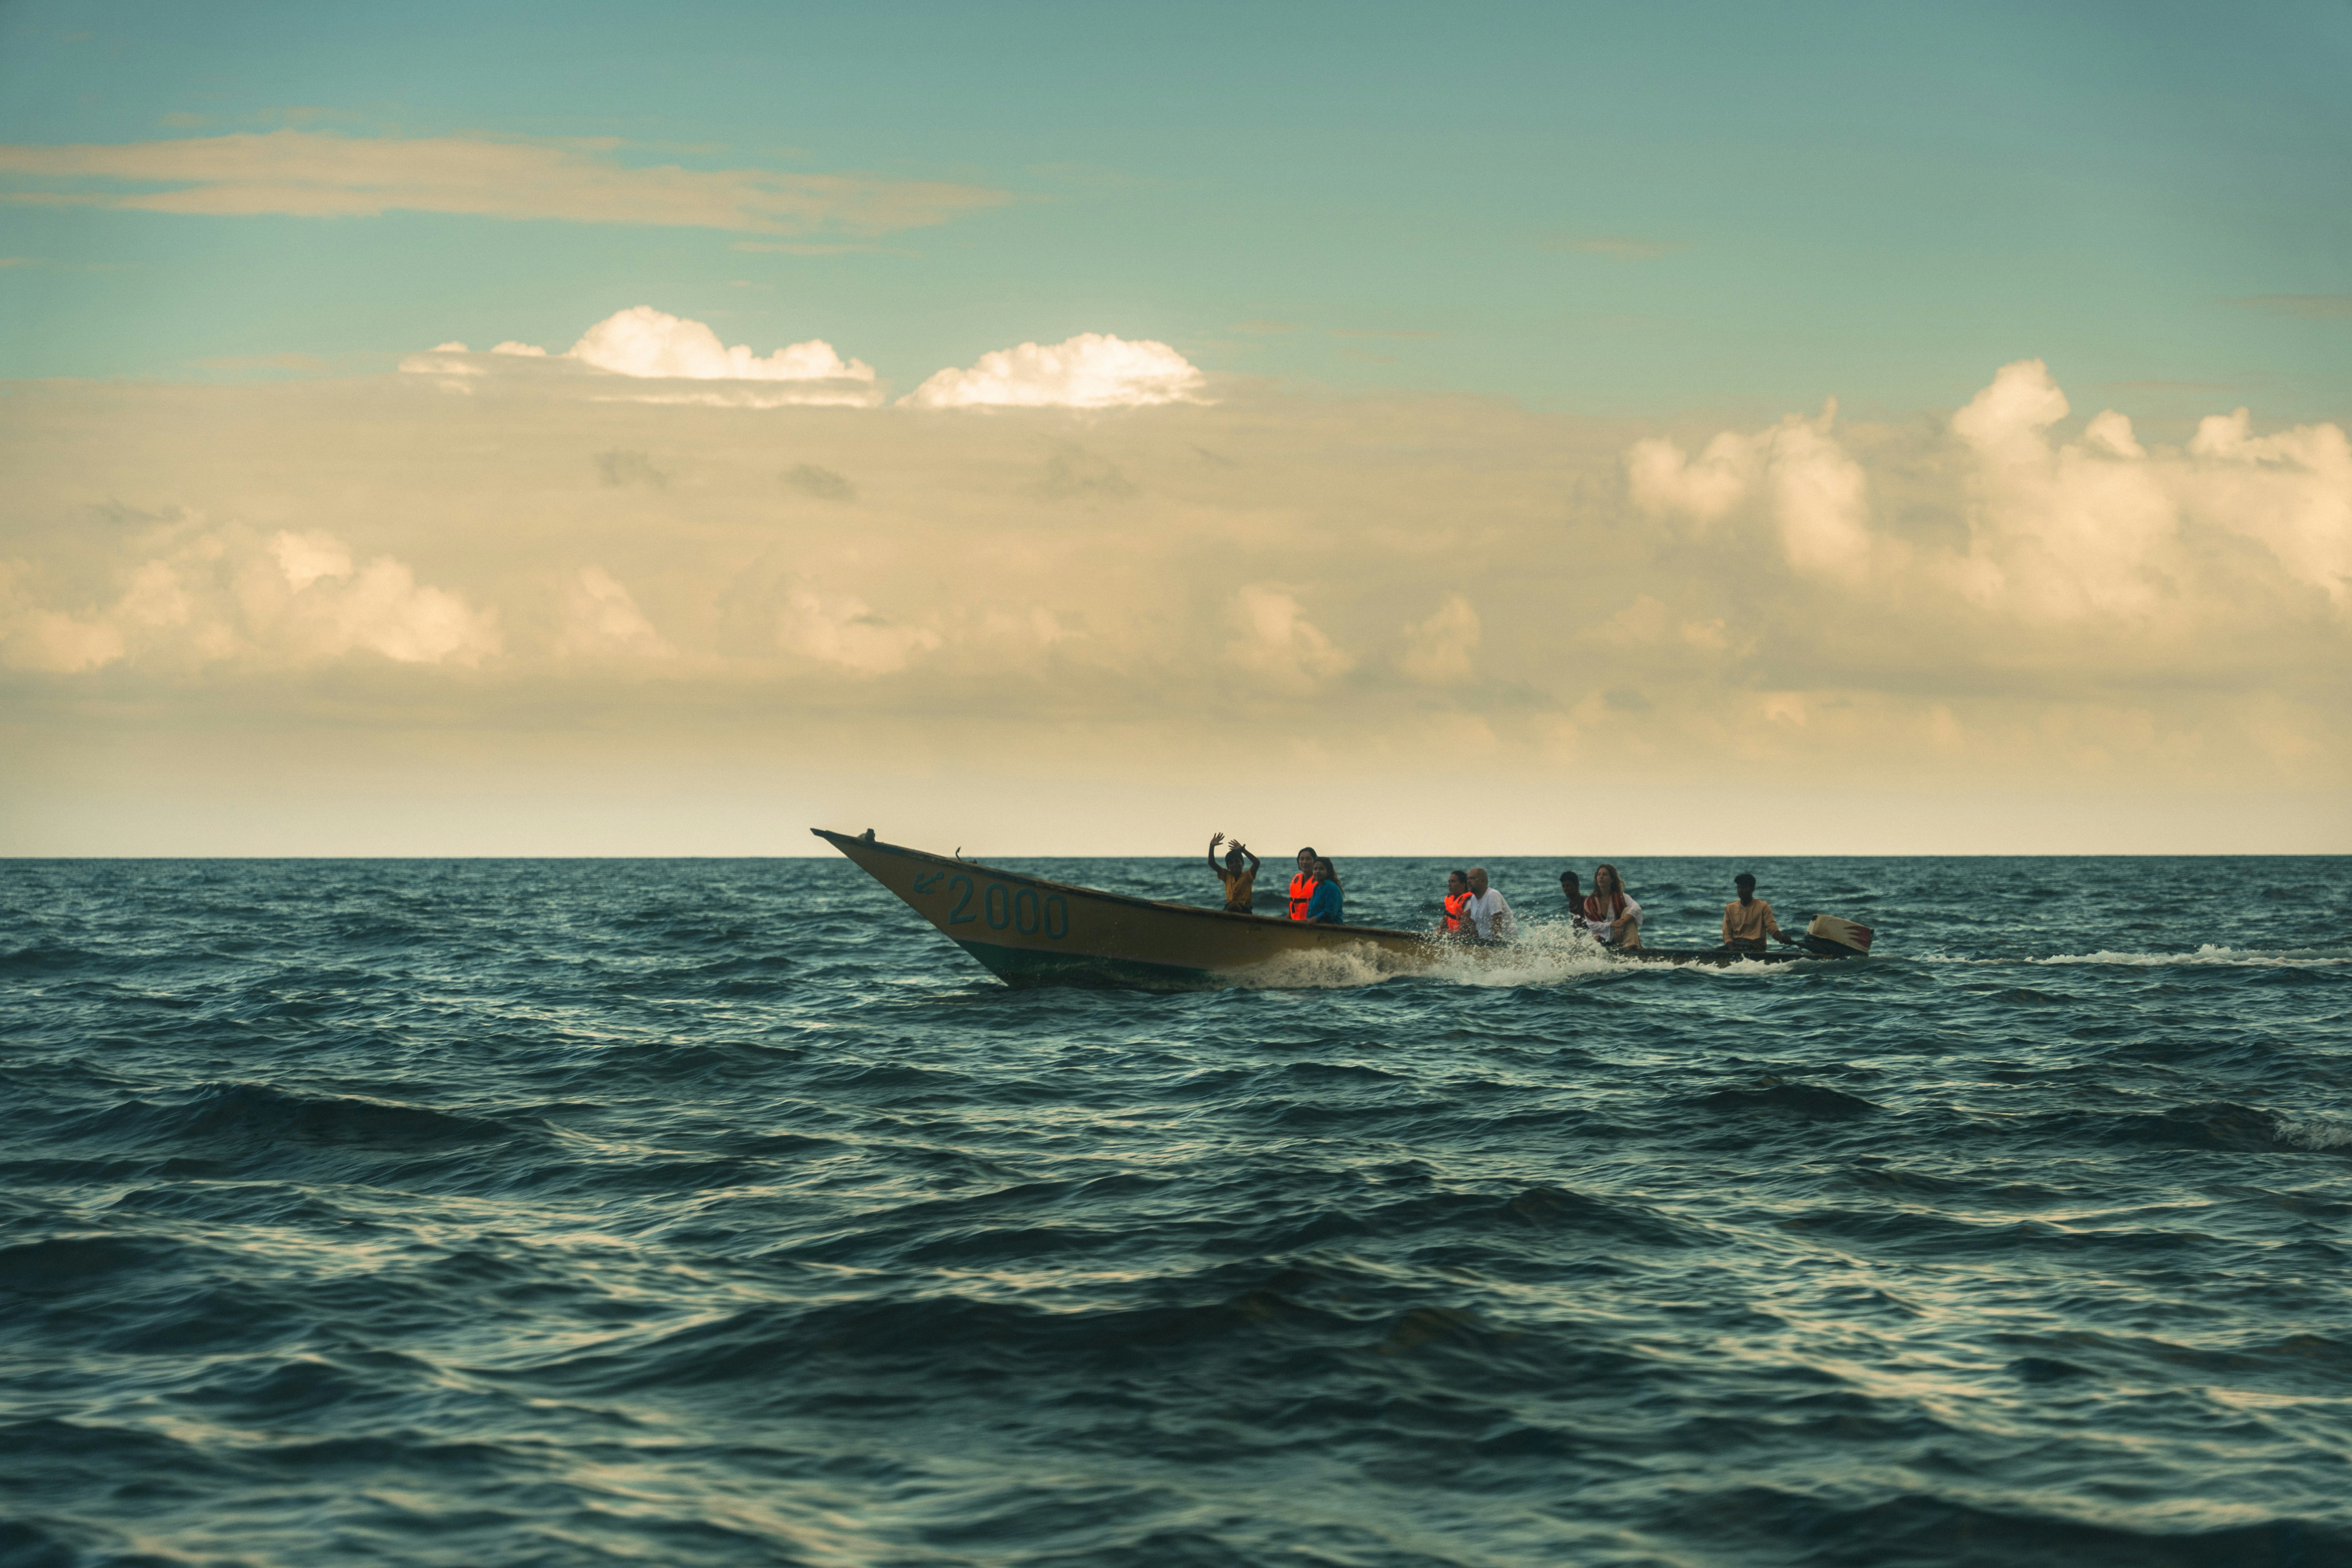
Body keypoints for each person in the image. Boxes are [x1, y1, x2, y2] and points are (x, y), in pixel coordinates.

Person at [1720, 872, 1790, 953]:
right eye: (1739, 888)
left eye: (1744, 888)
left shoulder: (1763, 907)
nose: (1740, 891)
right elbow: (1727, 932)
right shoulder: (1730, 908)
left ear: (1753, 889)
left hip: (1756, 947)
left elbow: (1772, 928)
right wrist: (1732, 948)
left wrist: (1782, 937)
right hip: (1737, 946)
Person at [1581, 863, 1642, 949]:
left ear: (1612, 879)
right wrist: (1613, 924)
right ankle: (1630, 948)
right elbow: (1593, 925)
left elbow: (1637, 908)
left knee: (1628, 910)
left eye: (1605, 875)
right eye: (1599, 875)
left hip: (1619, 936)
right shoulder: (1590, 902)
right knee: (1628, 912)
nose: (1601, 877)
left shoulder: (1621, 897)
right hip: (1600, 941)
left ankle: (1629, 948)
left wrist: (1622, 922)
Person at [1208, 833, 1261, 914]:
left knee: (1234, 905)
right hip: (1229, 908)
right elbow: (1212, 863)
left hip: (1245, 910)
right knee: (1232, 905)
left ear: (1243, 863)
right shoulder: (1227, 876)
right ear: (1228, 867)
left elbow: (1257, 863)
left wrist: (1243, 850)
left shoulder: (1248, 876)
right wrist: (1212, 846)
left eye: (1237, 861)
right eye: (1231, 863)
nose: (1235, 865)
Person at [1460, 866, 1516, 940]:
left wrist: (1496, 944)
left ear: (1482, 881)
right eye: (1468, 879)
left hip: (1507, 943)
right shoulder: (1473, 899)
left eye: (1472, 879)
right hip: (1486, 942)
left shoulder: (1493, 895)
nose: (1469, 882)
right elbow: (1475, 927)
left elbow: (1497, 923)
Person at [1306, 857, 1346, 924]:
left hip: (1332, 928)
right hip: (1317, 927)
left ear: (1328, 872)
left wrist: (1315, 918)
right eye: (1315, 869)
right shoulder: (1317, 888)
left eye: (1321, 869)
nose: (1318, 872)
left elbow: (1330, 912)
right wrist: (1308, 920)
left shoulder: (1331, 888)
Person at [1286, 847, 1320, 921]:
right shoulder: (1296, 880)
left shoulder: (1320, 882)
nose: (1305, 862)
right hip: (1296, 923)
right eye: (1302, 859)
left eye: (1308, 859)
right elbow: (1293, 908)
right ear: (1298, 861)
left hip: (1313, 924)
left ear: (1315, 861)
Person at [1441, 869, 1472, 935]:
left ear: (1463, 885)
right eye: (1449, 882)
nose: (1449, 885)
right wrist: (1438, 931)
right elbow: (1443, 922)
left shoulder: (1469, 901)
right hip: (1452, 936)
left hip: (1467, 938)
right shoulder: (1450, 900)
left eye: (1453, 882)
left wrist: (1447, 934)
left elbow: (1464, 931)